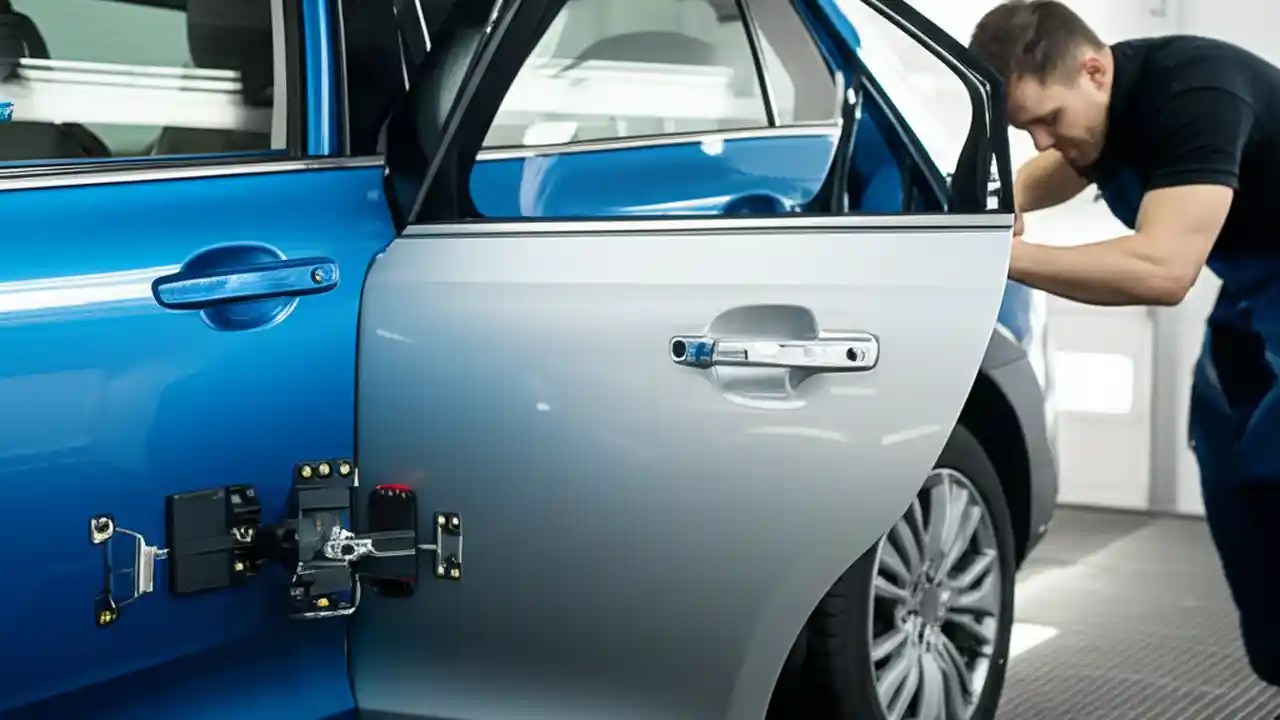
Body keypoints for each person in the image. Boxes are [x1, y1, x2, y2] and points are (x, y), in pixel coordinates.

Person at [969, 0, 1280, 686]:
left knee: (1272, 457)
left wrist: (994, 258)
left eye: (1048, 119)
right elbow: (1072, 162)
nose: (1043, 142)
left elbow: (1162, 270)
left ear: (1094, 69)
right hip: (1257, 287)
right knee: (1228, 450)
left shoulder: (1197, 92)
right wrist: (1003, 200)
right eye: (1026, 130)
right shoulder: (1106, 107)